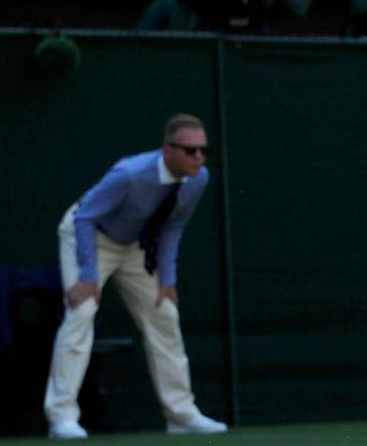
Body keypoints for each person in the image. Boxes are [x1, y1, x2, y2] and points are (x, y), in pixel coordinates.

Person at [43, 114, 228, 440]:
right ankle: (62, 417)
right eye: (190, 150)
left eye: (204, 150)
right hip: (87, 236)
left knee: (165, 315)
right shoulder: (130, 174)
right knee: (81, 313)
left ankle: (181, 415)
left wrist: (167, 280)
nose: (198, 157)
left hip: (134, 247)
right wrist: (88, 276)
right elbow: (85, 217)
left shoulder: (198, 178)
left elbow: (173, 226)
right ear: (168, 150)